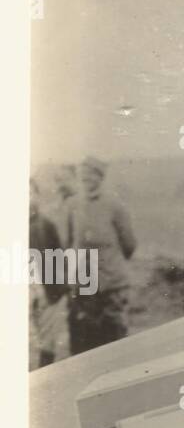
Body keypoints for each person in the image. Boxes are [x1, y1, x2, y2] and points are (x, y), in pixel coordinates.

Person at [66, 156, 137, 354]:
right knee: (84, 343)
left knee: (114, 342)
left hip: (111, 286)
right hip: (83, 287)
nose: (87, 180)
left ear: (100, 177)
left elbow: (129, 245)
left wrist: (110, 267)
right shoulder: (73, 205)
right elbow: (68, 243)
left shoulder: (115, 206)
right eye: (83, 176)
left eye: (91, 175)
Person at [29, 177, 67, 369]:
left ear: (36, 196)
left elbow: (60, 258)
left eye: (29, 194)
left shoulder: (46, 226)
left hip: (48, 292)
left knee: (47, 343)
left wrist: (57, 289)